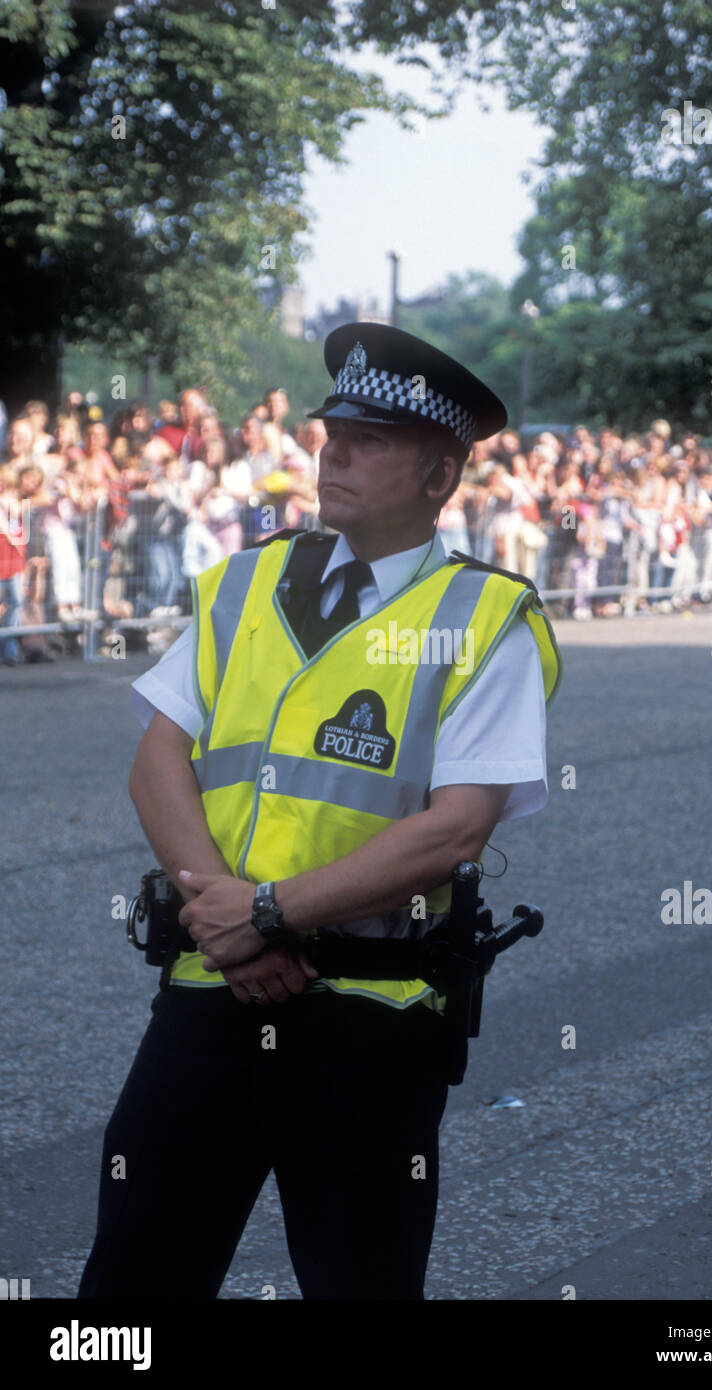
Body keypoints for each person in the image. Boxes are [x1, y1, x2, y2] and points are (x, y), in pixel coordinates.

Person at [78, 323, 561, 1302]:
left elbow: (455, 829)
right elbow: (157, 758)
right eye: (332, 430)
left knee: (360, 1286)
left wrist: (266, 914)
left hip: (367, 1022)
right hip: (209, 989)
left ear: (439, 475)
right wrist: (229, 919)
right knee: (130, 1288)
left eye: (371, 439)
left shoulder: (483, 618)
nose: (334, 451)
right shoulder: (243, 580)